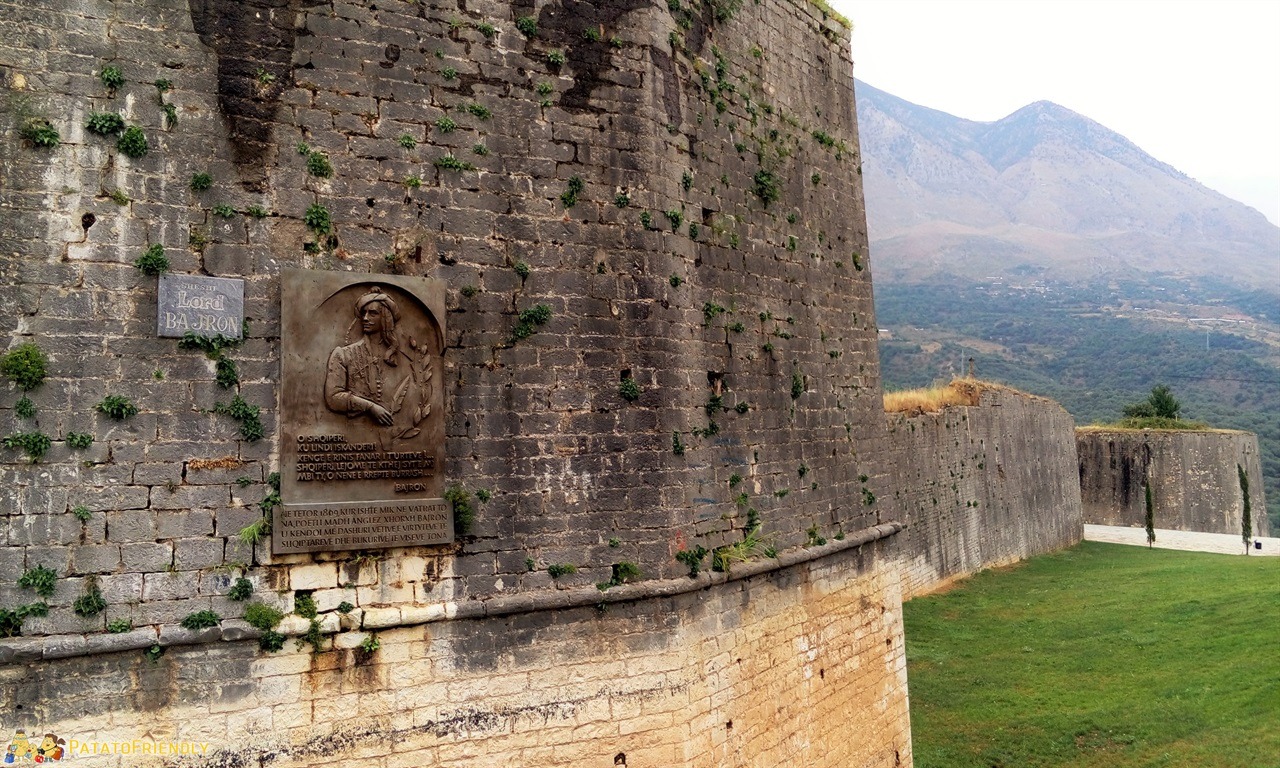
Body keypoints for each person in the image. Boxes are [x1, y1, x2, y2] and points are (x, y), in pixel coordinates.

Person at [324, 287, 433, 442]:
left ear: (385, 318)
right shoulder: (343, 354)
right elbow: (333, 398)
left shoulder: (407, 361)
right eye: (364, 313)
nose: (365, 318)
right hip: (355, 439)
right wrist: (370, 407)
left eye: (373, 313)